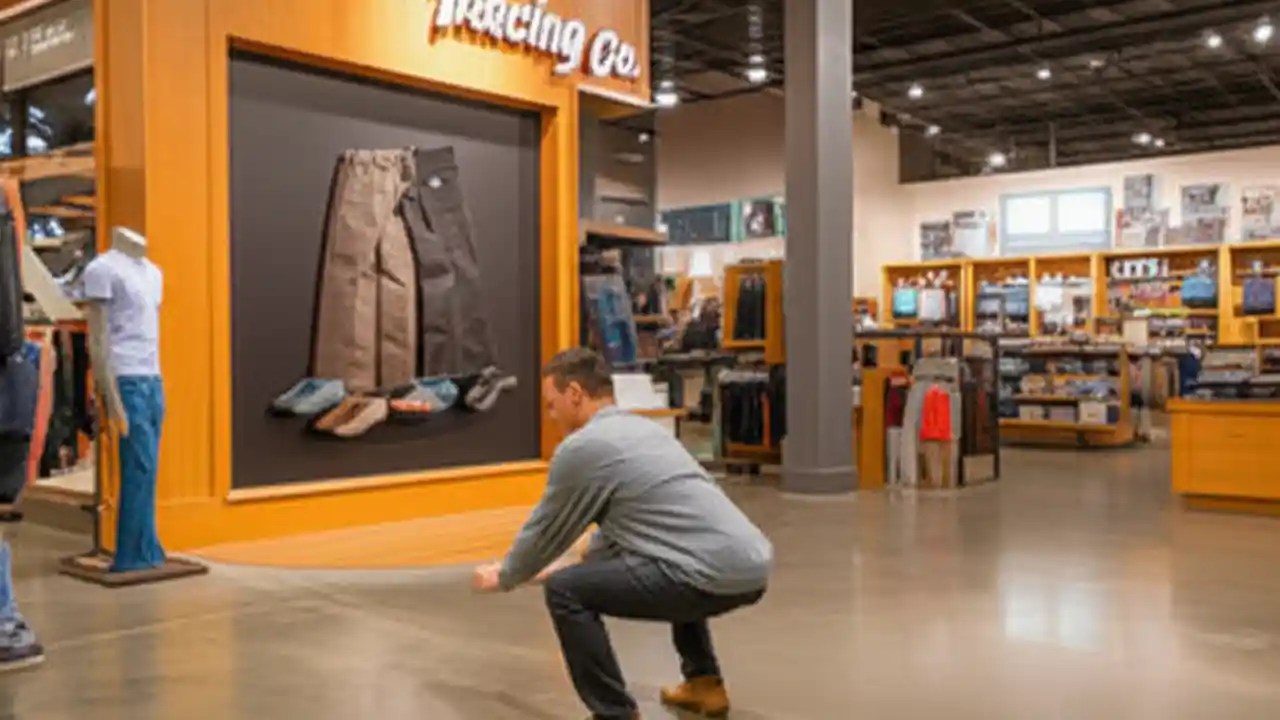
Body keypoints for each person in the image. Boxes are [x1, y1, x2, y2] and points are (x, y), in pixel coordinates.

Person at [473, 348, 772, 720]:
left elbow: (547, 529)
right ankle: (704, 684)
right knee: (675, 555)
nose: (551, 416)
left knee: (566, 593)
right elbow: (616, 539)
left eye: (552, 405)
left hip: (704, 572)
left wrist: (506, 575)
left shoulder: (583, 447)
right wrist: (548, 569)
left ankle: (614, 713)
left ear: (576, 395)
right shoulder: (642, 431)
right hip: (751, 567)